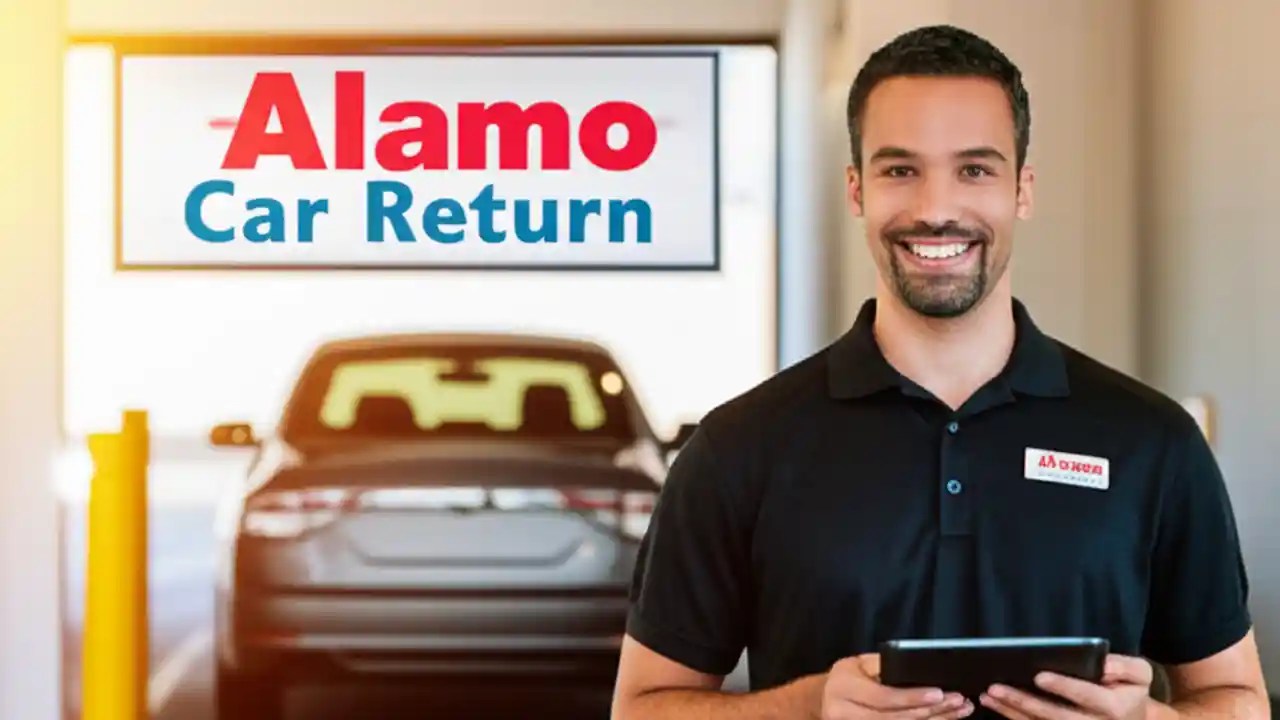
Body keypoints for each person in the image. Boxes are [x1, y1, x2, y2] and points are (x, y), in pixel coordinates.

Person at [611, 24, 1270, 720]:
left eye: (975, 169)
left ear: (1023, 188)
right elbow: (642, 708)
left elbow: (1237, 699)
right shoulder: (739, 449)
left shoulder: (1151, 442)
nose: (935, 209)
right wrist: (807, 707)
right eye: (901, 170)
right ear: (857, 189)